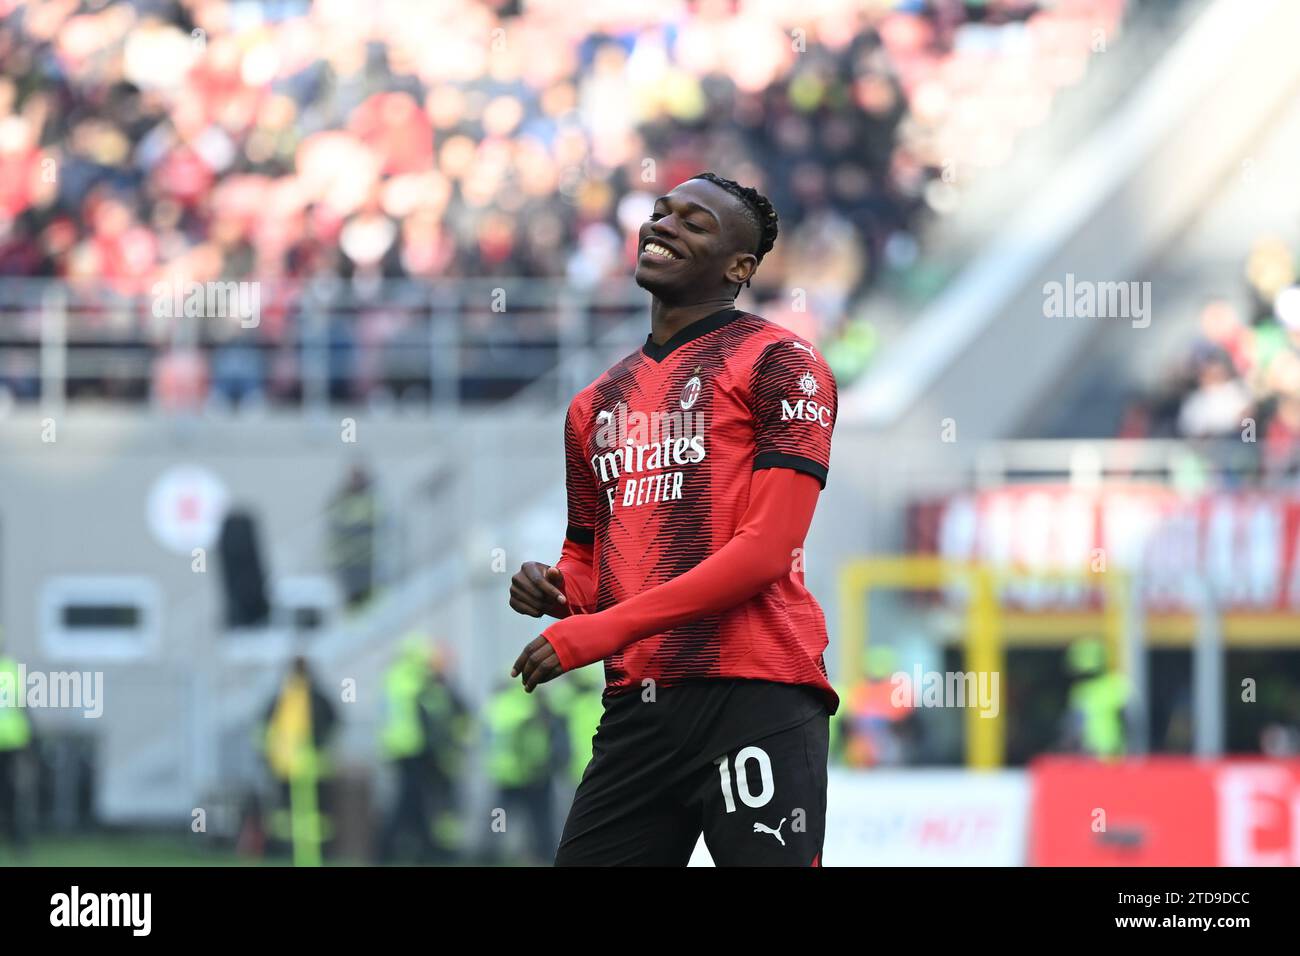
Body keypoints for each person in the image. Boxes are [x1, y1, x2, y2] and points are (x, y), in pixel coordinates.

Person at [508, 173, 838, 866]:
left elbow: (765, 553)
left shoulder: (783, 363)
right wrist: (557, 590)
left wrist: (594, 630)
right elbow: (590, 564)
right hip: (640, 707)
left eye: (695, 222)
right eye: (660, 213)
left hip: (755, 694)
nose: (663, 225)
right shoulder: (593, 405)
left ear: (739, 268)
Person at [377, 637, 470, 863]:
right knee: (410, 802)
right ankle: (392, 848)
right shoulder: (416, 680)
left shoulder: (394, 678)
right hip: (414, 748)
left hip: (398, 748)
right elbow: (437, 713)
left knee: (413, 801)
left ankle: (414, 847)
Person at [259, 656, 339, 864]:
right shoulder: (310, 697)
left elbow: (267, 729)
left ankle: (295, 851)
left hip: (291, 764)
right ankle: (307, 852)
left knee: (294, 815)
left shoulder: (285, 697)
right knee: (307, 815)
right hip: (304, 764)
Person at [0, 649, 32, 853]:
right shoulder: (11, 668)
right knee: (12, 793)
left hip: (11, 740)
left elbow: (22, 704)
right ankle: (16, 840)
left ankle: (16, 838)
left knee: (11, 793)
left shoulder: (11, 668)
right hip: (13, 738)